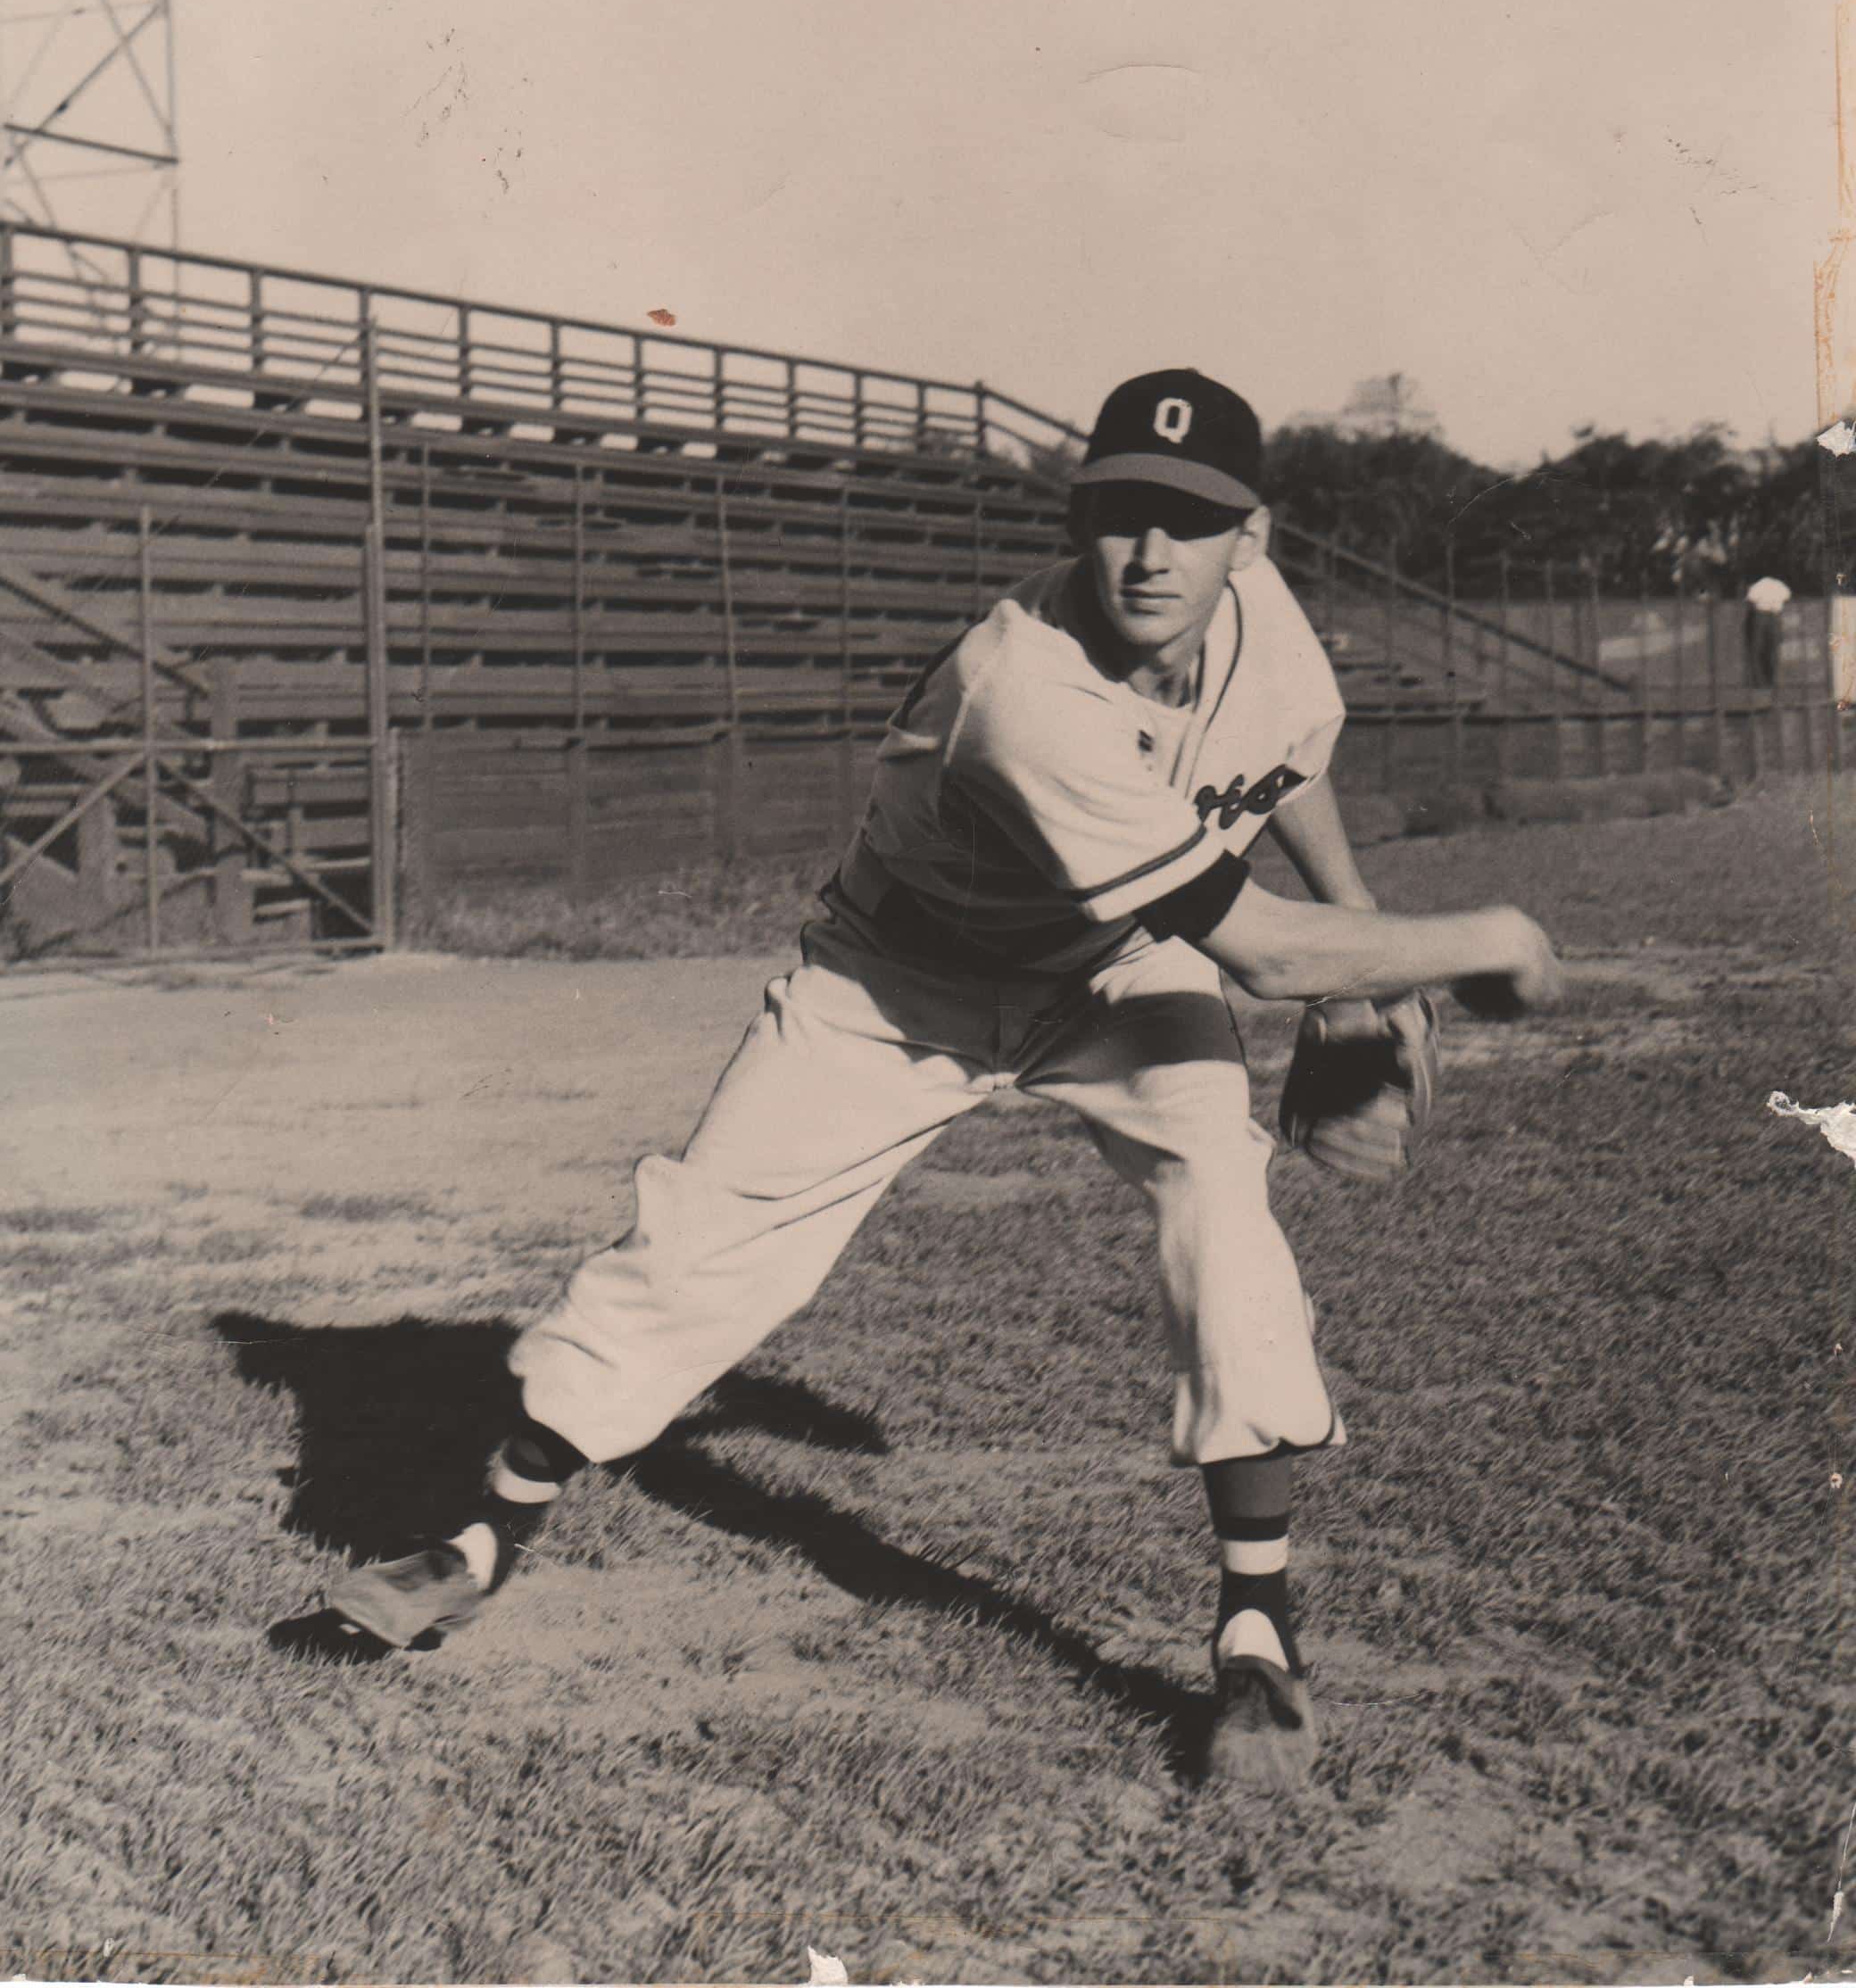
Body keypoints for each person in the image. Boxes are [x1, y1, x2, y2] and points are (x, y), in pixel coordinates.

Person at [319, 369, 1562, 1791]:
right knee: (707, 1248)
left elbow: (1276, 768)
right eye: (1120, 516)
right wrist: (1481, 944)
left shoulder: (1262, 621)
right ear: (1080, 520)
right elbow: (1270, 960)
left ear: (1253, 541)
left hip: (1119, 965)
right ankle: (481, 1538)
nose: (1152, 556)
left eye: (1191, 523)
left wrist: (1377, 968)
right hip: (896, 985)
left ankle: (1258, 1636)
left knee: (1228, 1211)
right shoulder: (1017, 683)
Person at [1743, 576, 1790, 692]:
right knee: (1773, 650)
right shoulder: (1779, 585)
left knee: (1756, 649)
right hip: (1775, 616)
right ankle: (1774, 682)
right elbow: (1787, 596)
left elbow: (1750, 599)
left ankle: (1759, 683)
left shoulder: (1757, 585)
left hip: (1760, 616)